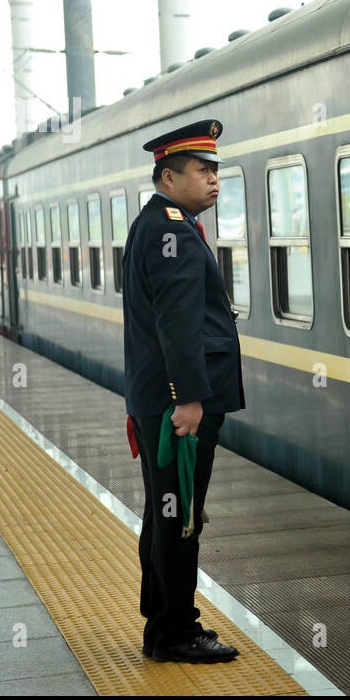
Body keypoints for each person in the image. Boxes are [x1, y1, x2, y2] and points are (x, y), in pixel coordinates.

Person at [122, 118, 245, 663]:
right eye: (202, 170)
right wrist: (190, 398)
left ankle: (162, 622)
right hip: (181, 404)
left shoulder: (162, 225)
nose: (214, 179)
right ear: (168, 177)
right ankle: (176, 632)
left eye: (216, 169)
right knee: (180, 516)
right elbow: (176, 323)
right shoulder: (171, 230)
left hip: (163, 398)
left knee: (165, 511)